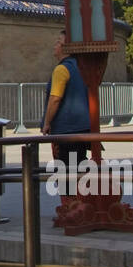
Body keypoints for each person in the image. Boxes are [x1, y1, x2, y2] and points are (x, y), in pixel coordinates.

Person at [41, 32, 91, 177]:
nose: (55, 45)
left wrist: (47, 122)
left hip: (66, 129)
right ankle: (80, 198)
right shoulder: (82, 67)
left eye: (58, 42)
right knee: (79, 166)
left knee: (66, 171)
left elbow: (55, 98)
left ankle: (69, 199)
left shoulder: (61, 70)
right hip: (82, 127)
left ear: (65, 48)